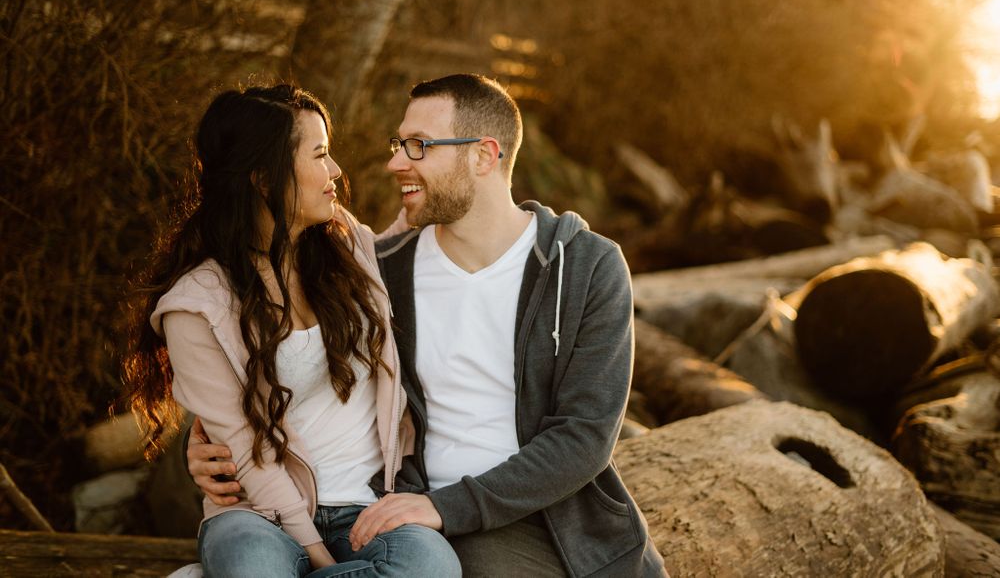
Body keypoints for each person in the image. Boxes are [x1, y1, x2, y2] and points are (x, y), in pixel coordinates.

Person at [189, 75, 667, 576]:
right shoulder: (377, 271)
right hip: (429, 519)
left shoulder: (586, 266)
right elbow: (279, 366)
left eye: (418, 146)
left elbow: (585, 434)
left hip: (568, 513)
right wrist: (204, 449)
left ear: (484, 156)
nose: (396, 162)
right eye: (399, 144)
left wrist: (449, 506)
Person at [122, 84, 461, 578]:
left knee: (434, 568)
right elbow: (248, 455)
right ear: (263, 178)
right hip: (256, 517)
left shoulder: (348, 245)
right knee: (255, 566)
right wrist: (319, 558)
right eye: (320, 155)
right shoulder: (195, 308)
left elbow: (422, 233)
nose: (336, 172)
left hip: (367, 505)